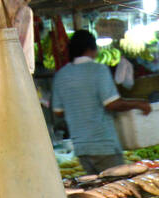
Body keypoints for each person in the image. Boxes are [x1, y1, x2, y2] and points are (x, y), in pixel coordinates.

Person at [52, 29, 152, 175]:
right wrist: (139, 104)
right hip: (103, 145)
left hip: (80, 148)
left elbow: (58, 111)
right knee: (118, 190)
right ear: (91, 48)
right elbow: (111, 103)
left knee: (98, 191)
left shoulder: (61, 75)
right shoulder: (98, 70)